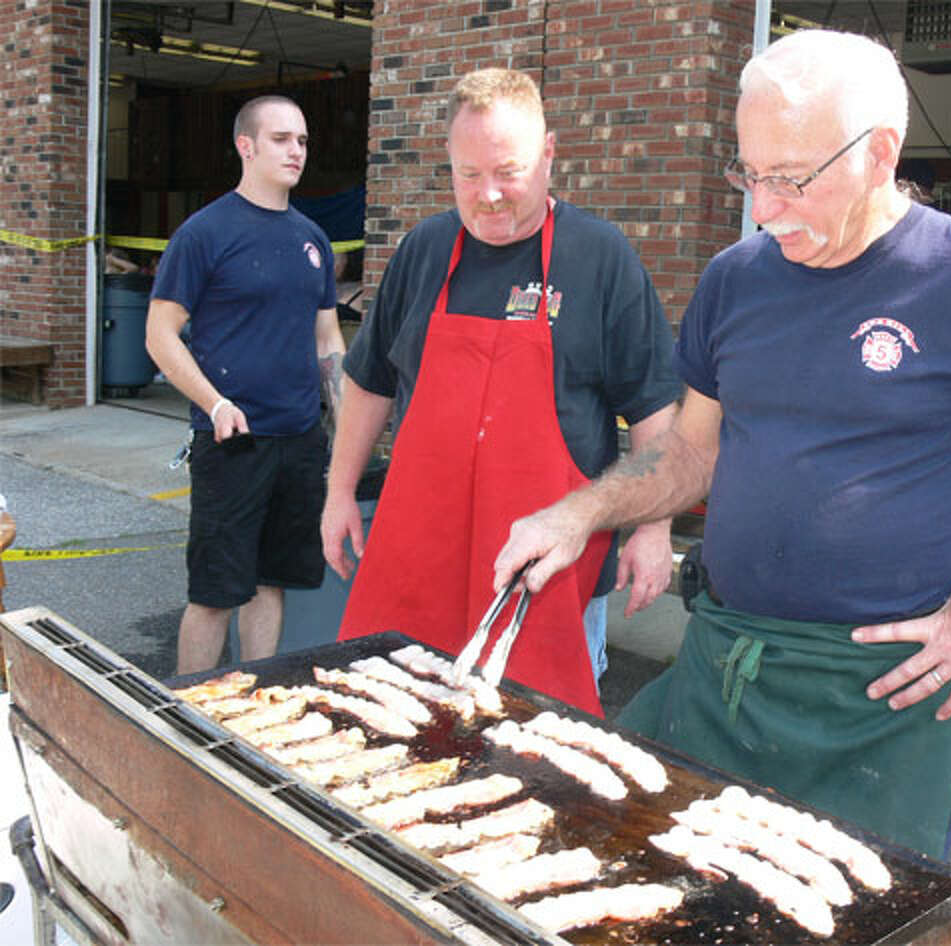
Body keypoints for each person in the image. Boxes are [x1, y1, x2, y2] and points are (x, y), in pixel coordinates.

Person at [492, 30, 951, 858]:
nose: (764, 206)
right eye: (749, 173)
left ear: (881, 153)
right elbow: (690, 458)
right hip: (722, 665)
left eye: (791, 178)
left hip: (883, 698)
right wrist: (578, 513)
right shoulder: (734, 279)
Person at [322, 68, 679, 716]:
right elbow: (369, 380)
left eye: (507, 172)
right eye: (467, 174)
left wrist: (654, 529)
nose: (488, 195)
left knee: (540, 756)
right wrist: (339, 490)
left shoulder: (601, 258)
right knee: (390, 726)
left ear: (548, 153)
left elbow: (656, 409)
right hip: (418, 563)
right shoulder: (424, 250)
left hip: (547, 577)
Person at [146, 94, 344, 675]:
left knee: (271, 583)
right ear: (246, 145)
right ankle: (186, 713)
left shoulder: (313, 240)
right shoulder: (204, 233)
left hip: (300, 441)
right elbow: (160, 335)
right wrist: (214, 403)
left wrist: (345, 419)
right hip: (233, 441)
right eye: (282, 139)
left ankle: (254, 702)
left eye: (303, 140)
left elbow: (328, 340)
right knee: (213, 593)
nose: (296, 151)